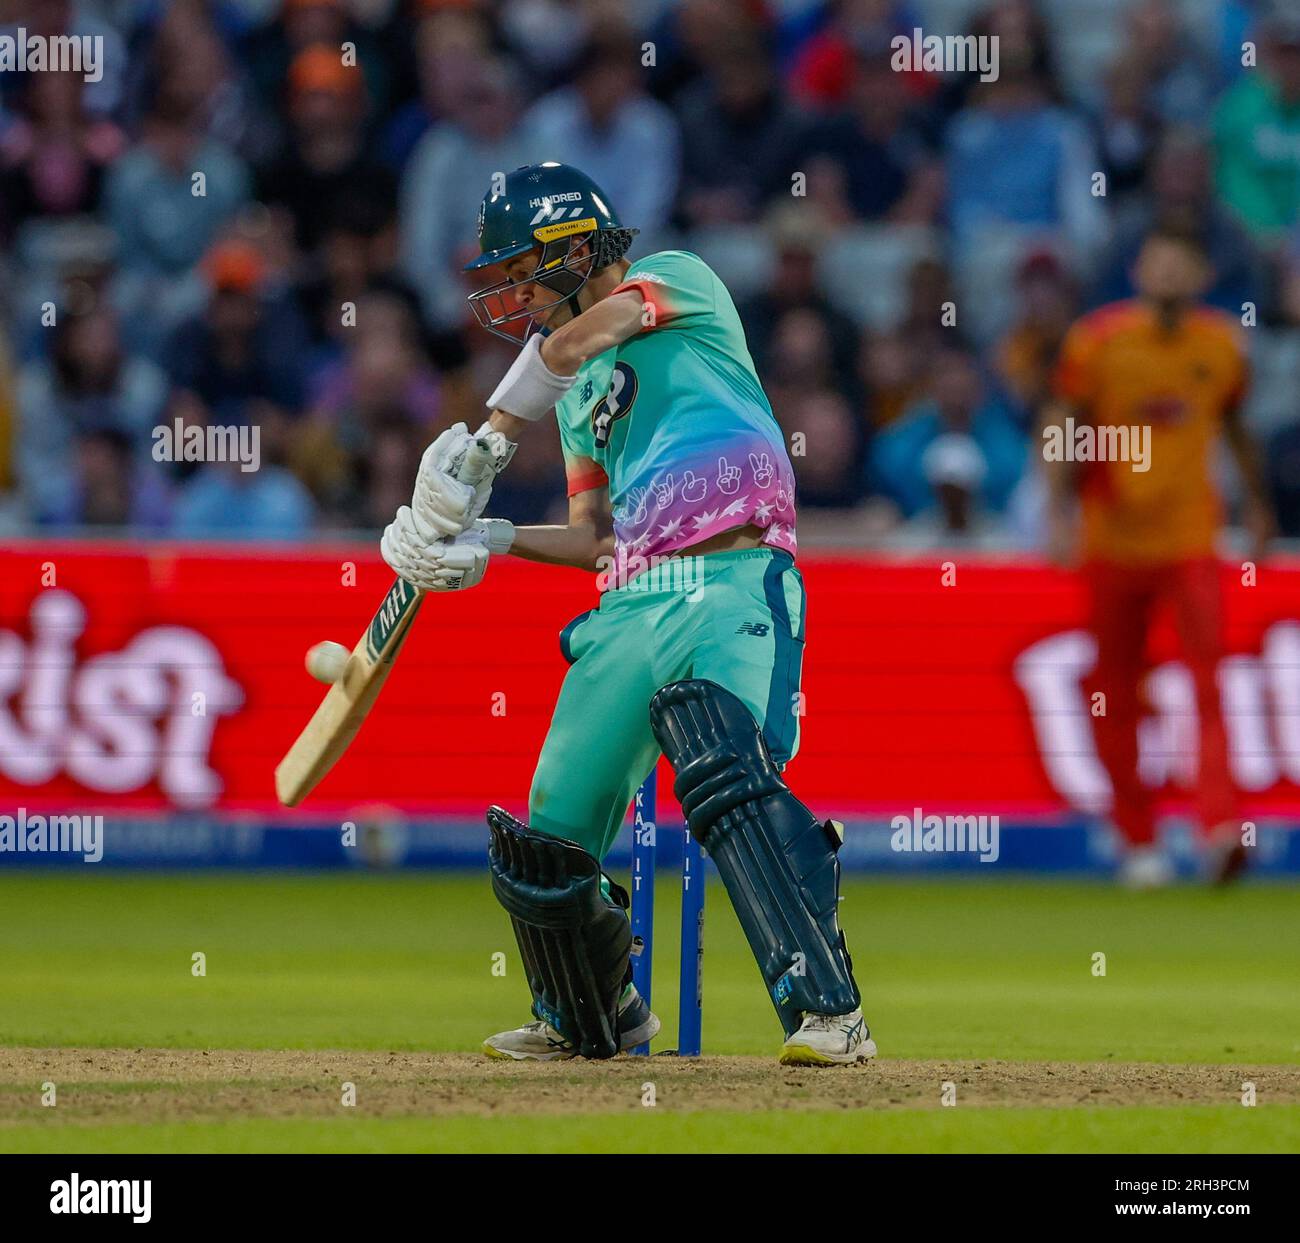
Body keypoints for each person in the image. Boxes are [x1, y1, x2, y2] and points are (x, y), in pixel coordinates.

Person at [380, 162, 872, 1066]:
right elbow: (593, 536)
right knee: (552, 827)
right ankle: (591, 1015)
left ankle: (829, 1013)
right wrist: (485, 537)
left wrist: (489, 439)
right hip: (630, 597)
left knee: (726, 772)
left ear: (576, 250)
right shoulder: (574, 397)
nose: (517, 296)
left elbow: (574, 346)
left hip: (733, 576)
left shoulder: (682, 281)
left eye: (525, 271)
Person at [1045, 225, 1274, 887]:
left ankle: (1219, 828)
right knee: (1114, 692)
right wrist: (1059, 513)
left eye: (1182, 261)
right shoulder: (1099, 342)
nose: (1169, 272)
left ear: (1201, 275)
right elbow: (1064, 422)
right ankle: (1137, 838)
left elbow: (1235, 425)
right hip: (1113, 538)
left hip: (1190, 539)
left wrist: (1257, 505)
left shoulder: (1223, 345)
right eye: (1158, 259)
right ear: (1140, 270)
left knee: (1207, 681)